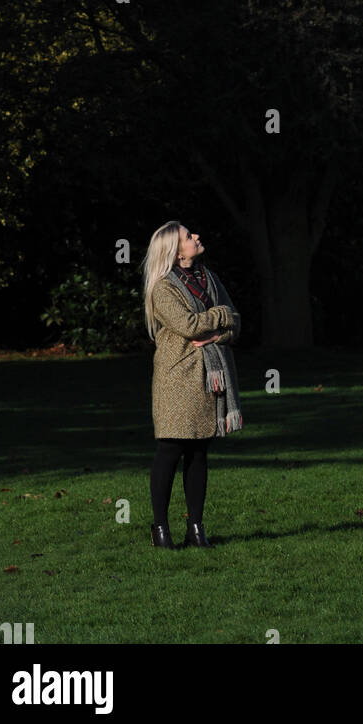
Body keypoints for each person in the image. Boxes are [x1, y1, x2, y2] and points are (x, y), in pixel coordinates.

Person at [141, 220, 243, 550]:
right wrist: (222, 317)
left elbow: (236, 321)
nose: (196, 236)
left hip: (207, 379)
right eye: (189, 235)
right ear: (175, 249)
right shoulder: (163, 288)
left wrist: (220, 330)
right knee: (170, 451)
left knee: (199, 452)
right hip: (177, 379)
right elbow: (188, 325)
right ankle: (160, 530)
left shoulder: (208, 279)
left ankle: (196, 529)